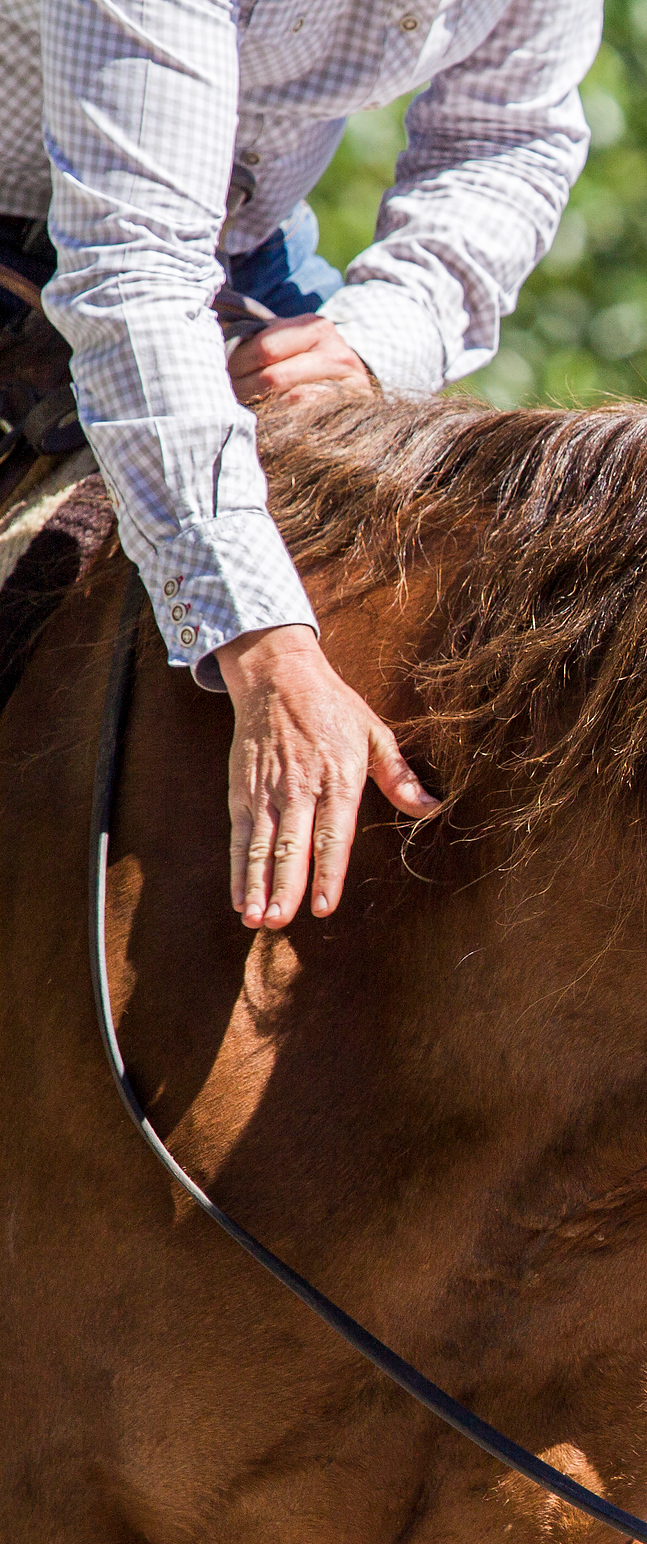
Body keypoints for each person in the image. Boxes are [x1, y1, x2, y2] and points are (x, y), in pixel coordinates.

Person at [0, 0, 602, 928]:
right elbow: (133, 274)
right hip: (98, 245)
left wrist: (376, 341)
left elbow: (509, 138)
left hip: (236, 247)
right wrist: (268, 648)